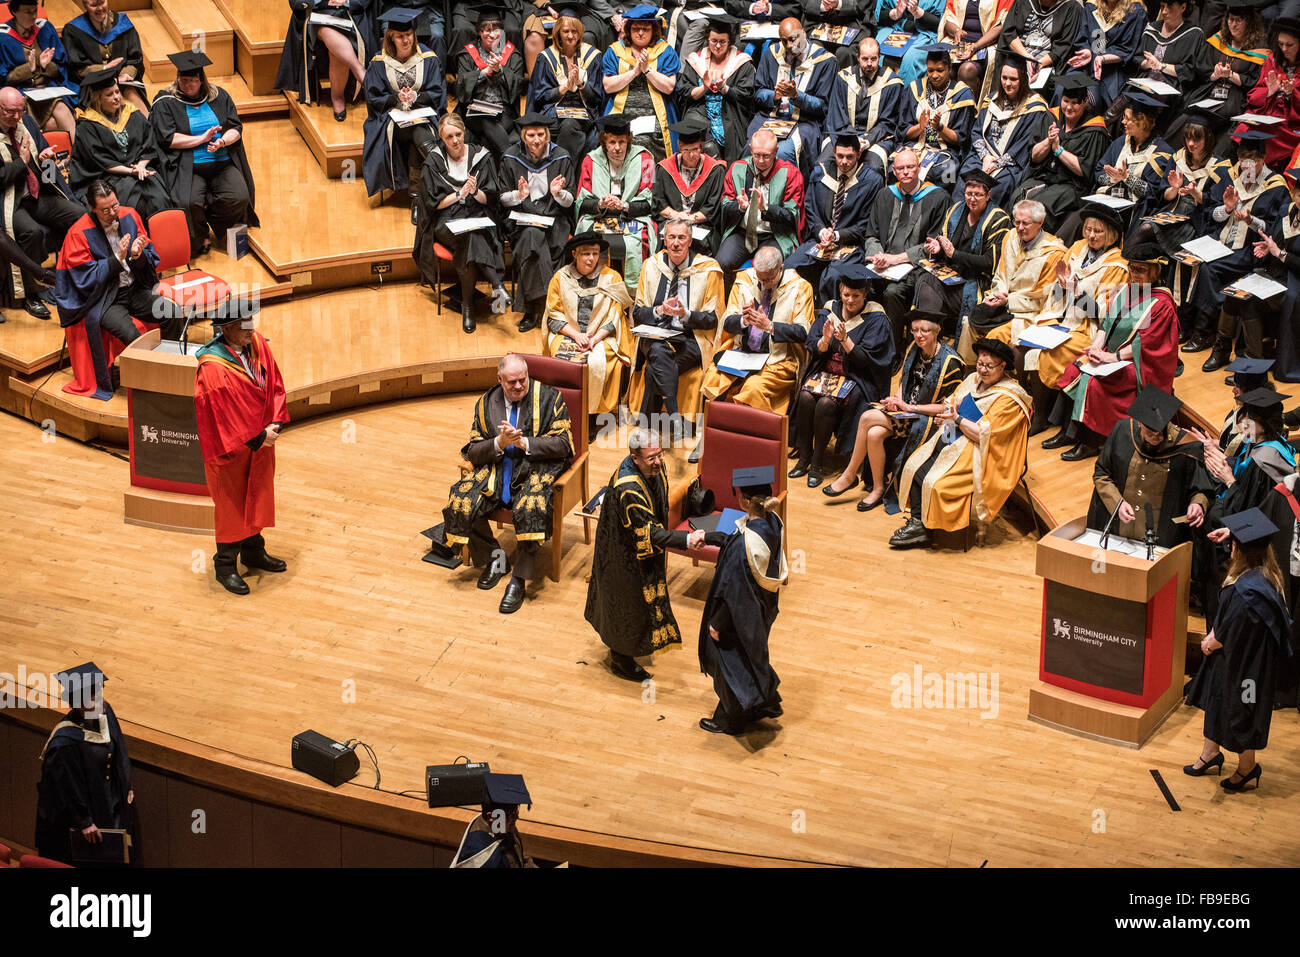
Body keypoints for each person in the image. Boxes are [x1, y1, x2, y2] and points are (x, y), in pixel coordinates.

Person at [585, 427, 724, 682]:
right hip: (623, 555)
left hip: (643, 548)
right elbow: (648, 533)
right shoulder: (629, 487)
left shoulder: (651, 468)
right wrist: (686, 539)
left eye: (660, 454)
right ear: (635, 458)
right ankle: (621, 658)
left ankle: (633, 646)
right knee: (627, 604)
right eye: (652, 458)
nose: (658, 462)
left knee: (641, 604)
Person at [442, 354, 574, 615]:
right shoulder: (485, 403)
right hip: (497, 469)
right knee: (462, 500)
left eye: (522, 380)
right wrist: (499, 443)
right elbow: (473, 452)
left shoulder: (550, 398)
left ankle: (519, 580)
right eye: (511, 381)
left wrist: (523, 443)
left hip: (535, 468)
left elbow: (563, 445)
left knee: (531, 507)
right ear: (499, 379)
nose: (517, 386)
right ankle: (496, 558)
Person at [1184, 506, 1293, 792]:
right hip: (1246, 662)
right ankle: (1210, 754)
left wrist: (1210, 642)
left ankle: (1247, 769)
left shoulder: (1244, 592)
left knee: (1242, 711)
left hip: (1243, 667)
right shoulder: (1267, 577)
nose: (1229, 548)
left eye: (1233, 545)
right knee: (1218, 701)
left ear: (1240, 551)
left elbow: (1230, 631)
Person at [891, 337, 1031, 547]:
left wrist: (955, 419)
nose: (982, 370)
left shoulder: (1009, 398)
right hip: (954, 438)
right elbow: (950, 403)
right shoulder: (973, 380)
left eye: (989, 366)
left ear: (1003, 366)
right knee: (913, 467)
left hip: (983, 453)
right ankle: (919, 523)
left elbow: (986, 436)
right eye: (981, 364)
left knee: (935, 482)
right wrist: (945, 416)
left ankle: (926, 528)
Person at [193, 297, 289, 596]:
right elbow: (222, 415)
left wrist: (274, 421)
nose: (252, 328)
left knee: (257, 493)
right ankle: (225, 567)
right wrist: (258, 438)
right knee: (232, 506)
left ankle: (253, 552)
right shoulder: (212, 369)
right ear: (227, 328)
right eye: (244, 324)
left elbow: (274, 383)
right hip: (230, 450)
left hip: (261, 441)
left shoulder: (257, 344)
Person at [823, 309, 967, 507]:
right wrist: (896, 399)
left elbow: (947, 407)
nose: (918, 335)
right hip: (907, 412)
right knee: (873, 434)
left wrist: (910, 406)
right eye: (915, 330)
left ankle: (849, 475)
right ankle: (878, 489)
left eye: (925, 330)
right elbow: (903, 382)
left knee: (866, 418)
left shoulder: (951, 363)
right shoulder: (913, 349)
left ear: (936, 332)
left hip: (930, 421)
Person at [54, 180, 183, 399]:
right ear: (92, 208)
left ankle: (167, 366)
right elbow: (84, 278)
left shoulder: (129, 215)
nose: (113, 212)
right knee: (134, 336)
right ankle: (146, 387)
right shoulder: (78, 233)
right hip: (105, 300)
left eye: (115, 205)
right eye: (105, 210)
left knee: (173, 313)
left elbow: (150, 257)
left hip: (133, 289)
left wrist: (136, 255)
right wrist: (116, 259)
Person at [697, 466, 788, 734]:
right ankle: (764, 702)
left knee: (731, 664)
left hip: (738, 613)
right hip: (762, 606)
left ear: (745, 501)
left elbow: (732, 589)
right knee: (753, 656)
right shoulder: (772, 522)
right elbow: (740, 544)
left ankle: (731, 719)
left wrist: (717, 623)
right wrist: (711, 536)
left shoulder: (744, 545)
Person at [1030, 202, 1130, 445]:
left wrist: (1076, 292)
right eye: (1088, 229)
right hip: (1062, 316)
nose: (1091, 236)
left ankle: (1047, 418)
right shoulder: (1077, 248)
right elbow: (1056, 288)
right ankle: (1039, 413)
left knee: (1046, 354)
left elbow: (1105, 315)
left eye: (1098, 231)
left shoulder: (1118, 266)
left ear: (1112, 234)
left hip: (1090, 329)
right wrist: (1061, 287)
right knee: (1026, 343)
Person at [1191, 127, 1290, 372]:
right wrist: (1225, 209)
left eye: (1250, 163)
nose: (1244, 169)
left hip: (1252, 250)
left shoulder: (1276, 186)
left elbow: (1275, 229)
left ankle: (1215, 340)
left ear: (1261, 160)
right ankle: (1208, 336)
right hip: (1222, 243)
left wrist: (1250, 221)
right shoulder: (1231, 176)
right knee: (1196, 263)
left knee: (1210, 271)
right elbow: (1212, 213)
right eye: (1241, 161)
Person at [789, 265, 896, 486]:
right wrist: (826, 340)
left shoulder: (876, 318)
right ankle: (804, 456)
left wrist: (846, 340)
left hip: (856, 377)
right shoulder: (830, 310)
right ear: (841, 292)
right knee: (806, 397)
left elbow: (867, 360)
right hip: (825, 371)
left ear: (865, 294)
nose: (850, 300)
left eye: (856, 296)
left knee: (826, 404)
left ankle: (817, 463)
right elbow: (813, 344)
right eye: (846, 295)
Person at [150, 51, 258, 259]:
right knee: (187, 202)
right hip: (188, 165)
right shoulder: (166, 101)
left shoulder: (219, 96)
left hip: (221, 161)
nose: (187, 85)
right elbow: (167, 138)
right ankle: (200, 235)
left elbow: (236, 126)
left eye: (192, 81)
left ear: (202, 80)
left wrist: (222, 141)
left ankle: (218, 225)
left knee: (239, 196)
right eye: (183, 80)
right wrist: (201, 139)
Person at [415, 113, 510, 333]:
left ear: (464, 132)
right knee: (471, 235)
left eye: (458, 134)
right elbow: (432, 204)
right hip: (447, 220)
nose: (455, 140)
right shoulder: (434, 161)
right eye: (449, 137)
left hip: (477, 214)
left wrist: (475, 192)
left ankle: (468, 307)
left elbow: (492, 199)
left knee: (472, 235)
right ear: (442, 138)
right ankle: (497, 286)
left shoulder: (481, 157)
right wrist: (459, 194)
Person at [628, 218, 724, 437]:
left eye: (681, 237)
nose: (676, 243)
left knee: (656, 365)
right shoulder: (651, 266)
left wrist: (685, 314)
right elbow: (637, 313)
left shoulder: (707, 269)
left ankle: (646, 425)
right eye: (671, 237)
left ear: (690, 240)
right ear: (664, 240)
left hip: (689, 340)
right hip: (652, 336)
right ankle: (674, 417)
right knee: (658, 350)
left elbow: (713, 319)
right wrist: (658, 311)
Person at [34, 663, 135, 865]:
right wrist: (84, 821)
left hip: (107, 802)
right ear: (78, 704)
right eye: (92, 696)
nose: (100, 700)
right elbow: (66, 788)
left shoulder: (105, 712)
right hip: (83, 815)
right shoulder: (65, 742)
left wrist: (126, 783)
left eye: (98, 692)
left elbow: (119, 747)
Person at [699, 246, 814, 421]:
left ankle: (746, 444)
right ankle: (718, 440)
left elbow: (803, 332)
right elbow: (726, 322)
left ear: (781, 268)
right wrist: (743, 321)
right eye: (760, 279)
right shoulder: (745, 279)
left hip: (777, 360)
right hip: (742, 354)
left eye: (769, 279)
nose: (764, 285)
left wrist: (770, 326)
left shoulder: (800, 287)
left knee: (753, 389)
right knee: (712, 379)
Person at [1087, 385, 1211, 546]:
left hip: (1164, 535)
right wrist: (1117, 504)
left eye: (1160, 432)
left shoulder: (1187, 447)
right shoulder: (1123, 431)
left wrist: (1198, 504)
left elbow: (1201, 489)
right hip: (1121, 530)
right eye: (1150, 433)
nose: (1156, 437)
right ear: (1139, 424)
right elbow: (1102, 473)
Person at [0, 85, 78, 319]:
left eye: (20, 111)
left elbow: (43, 157)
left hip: (36, 195)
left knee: (79, 214)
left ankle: (73, 275)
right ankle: (31, 293)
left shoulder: (28, 123)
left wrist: (44, 160)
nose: (16, 117)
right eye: (10, 112)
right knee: (31, 233)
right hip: (9, 200)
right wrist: (22, 162)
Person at [859, 147, 949, 344]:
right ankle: (865, 341)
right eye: (901, 168)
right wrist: (877, 256)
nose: (906, 172)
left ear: (919, 168)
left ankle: (894, 349)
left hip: (916, 267)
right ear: (894, 170)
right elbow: (871, 234)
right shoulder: (885, 195)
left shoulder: (937, 197)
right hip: (883, 264)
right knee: (859, 282)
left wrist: (896, 259)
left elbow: (933, 244)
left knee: (892, 292)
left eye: (910, 167)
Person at [912, 169, 1013, 337]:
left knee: (929, 286)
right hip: (951, 275)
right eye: (969, 193)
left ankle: (929, 335)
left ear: (988, 196)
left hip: (977, 281)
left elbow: (990, 263)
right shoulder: (956, 210)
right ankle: (927, 334)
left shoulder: (999, 219)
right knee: (924, 278)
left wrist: (954, 254)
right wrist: (938, 250)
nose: (972, 199)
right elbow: (944, 243)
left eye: (978, 195)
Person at [785, 129, 883, 302]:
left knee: (833, 277)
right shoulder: (820, 173)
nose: (844, 162)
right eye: (840, 156)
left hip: (850, 246)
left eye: (849, 157)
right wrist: (821, 231)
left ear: (859, 154)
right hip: (820, 241)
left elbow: (866, 224)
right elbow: (811, 210)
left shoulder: (872, 181)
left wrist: (837, 235)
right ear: (833, 153)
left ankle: (829, 320)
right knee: (790, 267)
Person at [499, 113, 576, 333]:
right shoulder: (511, 157)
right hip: (522, 219)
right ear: (523, 136)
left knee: (533, 242)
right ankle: (548, 306)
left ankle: (530, 309)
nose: (536, 140)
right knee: (532, 236)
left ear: (547, 134)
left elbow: (570, 201)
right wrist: (519, 196)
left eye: (541, 134)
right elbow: (502, 199)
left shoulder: (561, 158)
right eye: (531, 135)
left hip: (554, 219)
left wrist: (558, 194)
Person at [70, 66, 176, 223]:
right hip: (110, 177)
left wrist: (141, 166)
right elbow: (99, 160)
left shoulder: (133, 114)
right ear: (98, 99)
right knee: (136, 206)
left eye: (117, 92)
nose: (116, 97)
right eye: (109, 94)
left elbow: (149, 144)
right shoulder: (87, 126)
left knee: (160, 200)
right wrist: (130, 171)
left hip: (141, 171)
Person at [542, 231, 631, 416]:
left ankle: (593, 415)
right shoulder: (561, 277)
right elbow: (553, 314)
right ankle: (563, 412)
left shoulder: (612, 277)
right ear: (574, 254)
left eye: (595, 253)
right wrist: (577, 335)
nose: (591, 259)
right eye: (586, 254)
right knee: (563, 360)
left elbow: (615, 316)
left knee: (598, 362)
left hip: (601, 337)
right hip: (568, 334)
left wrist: (594, 339)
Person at [1009, 73, 1110, 232]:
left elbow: (1085, 170)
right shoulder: (1050, 116)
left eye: (1075, 103)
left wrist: (1058, 150)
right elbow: (1034, 156)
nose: (1068, 107)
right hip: (1043, 176)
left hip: (1070, 185)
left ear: (1084, 102)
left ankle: (1038, 246)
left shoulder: (1095, 130)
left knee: (1040, 207)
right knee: (1017, 197)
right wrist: (1048, 142)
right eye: (1066, 101)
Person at [361, 8, 444, 202]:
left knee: (418, 128)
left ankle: (416, 197)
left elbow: (438, 93)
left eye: (408, 35)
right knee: (414, 129)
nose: (406, 40)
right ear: (391, 38)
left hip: (423, 114)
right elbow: (373, 99)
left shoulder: (428, 58)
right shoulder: (379, 62)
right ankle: (440, 168)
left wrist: (417, 96)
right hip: (391, 117)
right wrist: (395, 99)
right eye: (400, 36)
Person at [968, 198, 1069, 353]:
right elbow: (1001, 274)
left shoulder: (1054, 254)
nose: (1020, 228)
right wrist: (998, 294)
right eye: (1017, 222)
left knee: (996, 336)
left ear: (1040, 222)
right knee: (969, 324)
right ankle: (970, 374)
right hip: (1001, 303)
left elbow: (1043, 299)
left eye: (1025, 223)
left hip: (1027, 315)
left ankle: (999, 376)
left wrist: (1009, 301)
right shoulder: (1010, 237)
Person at [575, 113, 657, 294]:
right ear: (604, 142)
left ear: (629, 140)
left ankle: (634, 298)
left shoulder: (645, 160)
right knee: (587, 239)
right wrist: (600, 204)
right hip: (599, 218)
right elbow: (582, 202)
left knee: (639, 243)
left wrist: (624, 206)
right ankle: (591, 294)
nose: (617, 148)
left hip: (631, 217)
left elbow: (649, 203)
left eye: (622, 142)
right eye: (612, 142)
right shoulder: (591, 160)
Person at [748, 16, 837, 180]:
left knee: (783, 152)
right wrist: (775, 95)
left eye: (793, 39)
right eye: (784, 41)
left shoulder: (825, 61)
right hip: (771, 116)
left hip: (804, 122)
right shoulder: (772, 54)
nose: (789, 46)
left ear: (804, 33)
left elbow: (824, 106)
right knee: (753, 147)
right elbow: (758, 93)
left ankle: (786, 200)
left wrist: (796, 96)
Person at [956, 53, 1050, 207]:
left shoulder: (1034, 108)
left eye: (1013, 79)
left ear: (1023, 80)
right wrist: (985, 157)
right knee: (965, 180)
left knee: (997, 187)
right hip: (981, 158)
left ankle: (986, 228)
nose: (1007, 83)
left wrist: (999, 163)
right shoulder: (991, 100)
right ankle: (955, 225)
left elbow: (1024, 145)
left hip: (1010, 165)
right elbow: (977, 131)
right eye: (1004, 78)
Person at [716, 128, 805, 273]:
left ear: (776, 151)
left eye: (766, 156)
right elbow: (725, 207)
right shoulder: (737, 168)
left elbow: (792, 215)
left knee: (766, 268)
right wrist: (740, 208)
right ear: (750, 149)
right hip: (741, 234)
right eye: (757, 155)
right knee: (721, 264)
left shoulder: (790, 174)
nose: (761, 161)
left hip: (774, 235)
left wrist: (767, 210)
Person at [525, 7, 606, 162]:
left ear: (580, 32)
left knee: (569, 125)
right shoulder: (546, 57)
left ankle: (561, 170)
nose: (570, 36)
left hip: (583, 112)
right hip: (553, 111)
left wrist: (581, 84)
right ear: (558, 33)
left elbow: (597, 97)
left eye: (574, 31)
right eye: (566, 31)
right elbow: (539, 96)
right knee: (560, 126)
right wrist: (563, 89)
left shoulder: (593, 56)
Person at [602, 5, 680, 161]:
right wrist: (634, 72)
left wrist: (647, 70)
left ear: (654, 30)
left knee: (643, 141)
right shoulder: (615, 51)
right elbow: (608, 86)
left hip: (655, 115)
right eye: (636, 28)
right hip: (622, 112)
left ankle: (650, 183)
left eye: (646, 29)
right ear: (629, 30)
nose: (640, 33)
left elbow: (669, 87)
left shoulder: (665, 51)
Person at [274, 0, 375, 121]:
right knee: (327, 30)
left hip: (350, 16)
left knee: (336, 52)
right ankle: (359, 72)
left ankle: (338, 96)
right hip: (316, 16)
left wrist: (346, 1)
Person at [1085, 90, 1171, 230]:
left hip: (1133, 210)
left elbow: (1154, 193)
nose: (1123, 121)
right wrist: (1112, 179)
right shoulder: (1120, 143)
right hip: (1107, 200)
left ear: (1142, 122)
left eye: (1127, 118)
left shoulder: (1161, 153)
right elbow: (1099, 171)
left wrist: (1127, 178)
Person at [1183, 0, 1267, 141]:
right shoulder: (1218, 40)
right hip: (1209, 93)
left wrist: (1230, 75)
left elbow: (1254, 82)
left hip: (1234, 101)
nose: (1233, 24)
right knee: (1184, 121)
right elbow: (1201, 69)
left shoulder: (1260, 51)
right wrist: (1215, 74)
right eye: (1231, 19)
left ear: (1250, 22)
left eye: (1239, 20)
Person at [678, 14, 757, 164]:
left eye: (723, 42)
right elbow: (684, 91)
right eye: (714, 41)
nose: (718, 46)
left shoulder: (742, 62)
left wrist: (724, 88)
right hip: (700, 108)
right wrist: (704, 88)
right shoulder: (696, 60)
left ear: (730, 41)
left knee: (731, 133)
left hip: (730, 111)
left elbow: (745, 95)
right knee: (693, 123)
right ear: (707, 40)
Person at [898, 44, 976, 189]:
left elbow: (962, 140)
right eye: (930, 70)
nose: (934, 75)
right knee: (897, 167)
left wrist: (940, 128)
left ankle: (941, 207)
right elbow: (903, 131)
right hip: (916, 146)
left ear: (950, 68)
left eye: (940, 70)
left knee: (948, 174)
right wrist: (920, 127)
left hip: (947, 152)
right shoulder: (915, 89)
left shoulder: (962, 94)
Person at [826, 36, 907, 173]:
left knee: (873, 168)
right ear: (858, 57)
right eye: (865, 59)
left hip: (878, 139)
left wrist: (866, 141)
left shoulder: (892, 83)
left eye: (873, 59)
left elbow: (888, 123)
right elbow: (837, 115)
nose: (869, 63)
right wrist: (852, 140)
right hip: (844, 135)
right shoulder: (843, 79)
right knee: (824, 163)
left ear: (879, 57)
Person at [0, 0, 77, 143]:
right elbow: (4, 79)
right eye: (28, 12)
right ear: (14, 12)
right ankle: (49, 161)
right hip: (21, 92)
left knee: (61, 108)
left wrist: (45, 66)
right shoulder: (2, 36)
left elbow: (61, 68)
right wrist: (29, 68)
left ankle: (78, 156)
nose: (33, 15)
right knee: (51, 124)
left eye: (35, 10)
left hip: (48, 88)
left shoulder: (45, 28)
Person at [1123, 0, 1210, 124]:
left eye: (1169, 6)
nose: (1164, 11)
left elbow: (1190, 71)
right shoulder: (1152, 29)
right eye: (1162, 6)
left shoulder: (1194, 35)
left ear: (1183, 7)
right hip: (1145, 81)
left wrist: (1160, 66)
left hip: (1172, 87)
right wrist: (1147, 64)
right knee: (1126, 99)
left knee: (1149, 110)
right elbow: (1137, 58)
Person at [455, 6, 523, 157]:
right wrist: (484, 72)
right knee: (485, 118)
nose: (492, 34)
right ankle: (509, 159)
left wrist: (500, 71)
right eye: (486, 29)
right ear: (479, 31)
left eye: (496, 30)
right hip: (473, 109)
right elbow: (460, 86)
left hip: (503, 110)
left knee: (487, 137)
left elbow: (517, 87)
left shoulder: (513, 55)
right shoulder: (467, 54)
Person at [1252, 170, 1300, 381]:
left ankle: (1285, 361)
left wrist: (1280, 254)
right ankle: (1254, 360)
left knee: (1292, 299)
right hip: (1281, 273)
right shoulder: (1288, 210)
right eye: (1298, 195)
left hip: (1297, 281)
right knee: (1247, 295)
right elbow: (1276, 240)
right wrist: (1268, 247)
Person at [651, 118, 726, 255]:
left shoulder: (715, 170)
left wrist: (690, 219)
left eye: (695, 149)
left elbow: (713, 207)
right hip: (672, 223)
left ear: (702, 147)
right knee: (669, 240)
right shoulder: (664, 168)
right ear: (679, 147)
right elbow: (658, 203)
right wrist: (677, 216)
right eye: (686, 150)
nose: (691, 155)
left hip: (701, 226)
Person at [61, 0, 148, 116]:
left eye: (102, 2)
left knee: (132, 98)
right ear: (85, 6)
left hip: (123, 82)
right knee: (104, 100)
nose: (99, 8)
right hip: (94, 85)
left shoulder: (123, 24)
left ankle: (148, 129)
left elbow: (135, 58)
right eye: (94, 5)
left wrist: (124, 75)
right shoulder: (74, 31)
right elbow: (77, 67)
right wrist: (104, 69)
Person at [1063, 0, 1147, 108]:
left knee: (1089, 101)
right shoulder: (1092, 6)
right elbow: (1083, 38)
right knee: (1064, 90)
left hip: (1112, 70)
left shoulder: (1135, 12)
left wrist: (1102, 58)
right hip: (1086, 64)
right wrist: (1088, 51)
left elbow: (1127, 48)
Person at [1242, 17, 1300, 172]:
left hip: (1291, 122)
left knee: (1269, 134)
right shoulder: (1273, 60)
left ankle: (1262, 175)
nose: (1284, 49)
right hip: (1269, 112)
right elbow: (1255, 93)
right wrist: (1269, 92)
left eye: (1289, 45)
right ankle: (1248, 176)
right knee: (1246, 126)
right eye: (1281, 44)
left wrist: (1291, 94)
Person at [996, 0, 1084, 102]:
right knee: (1009, 75)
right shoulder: (1023, 2)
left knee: (1042, 85)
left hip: (1049, 63)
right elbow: (1008, 33)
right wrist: (1027, 57)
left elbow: (1064, 46)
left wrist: (1039, 64)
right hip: (1019, 57)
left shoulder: (1071, 7)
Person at [450, 772, 537, 868]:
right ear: (491, 817)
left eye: (516, 811)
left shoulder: (502, 826)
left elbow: (520, 857)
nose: (516, 817)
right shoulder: (480, 854)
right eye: (509, 814)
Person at [873, 0, 945, 85]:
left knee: (910, 58)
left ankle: (907, 95)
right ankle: (877, 94)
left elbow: (941, 23)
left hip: (924, 33)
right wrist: (895, 13)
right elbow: (877, 16)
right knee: (876, 50)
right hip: (894, 27)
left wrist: (919, 13)